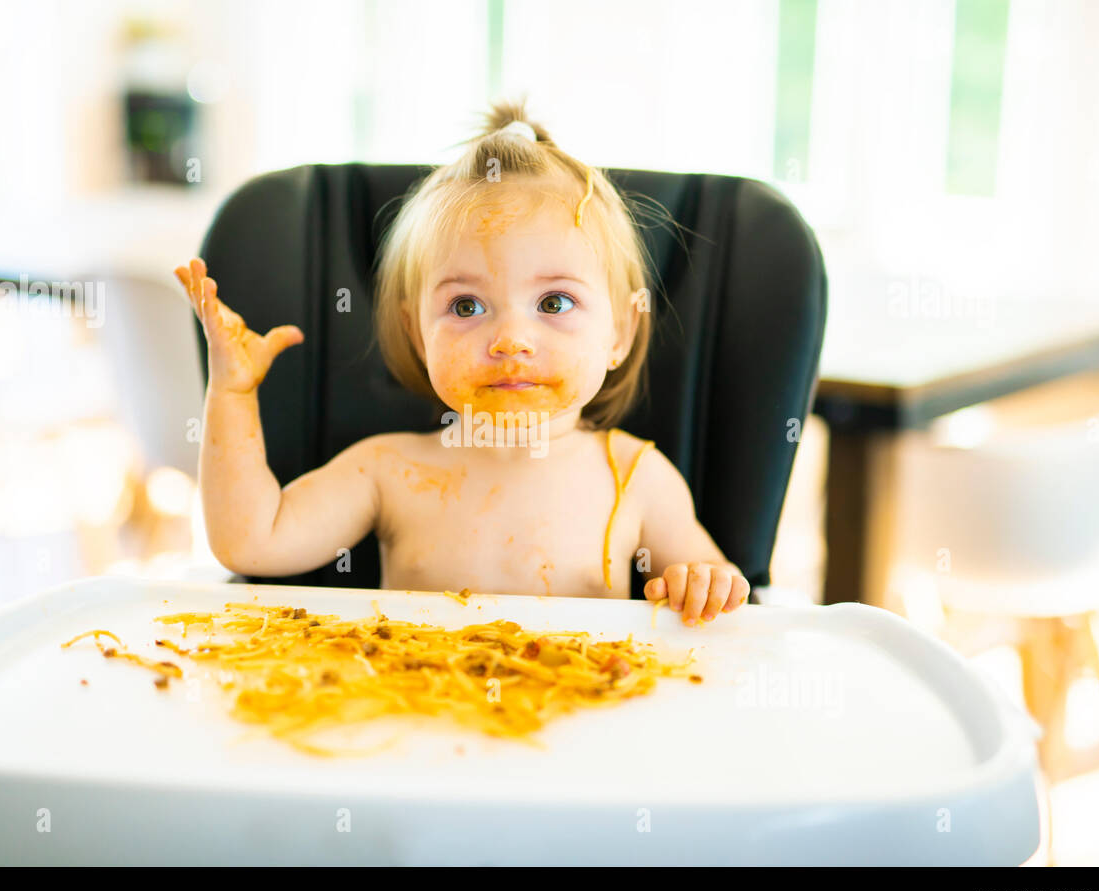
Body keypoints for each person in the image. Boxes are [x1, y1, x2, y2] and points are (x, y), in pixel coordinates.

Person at [174, 98, 749, 626]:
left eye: (554, 302)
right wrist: (232, 393)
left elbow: (722, 598)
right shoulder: (386, 471)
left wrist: (704, 585)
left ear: (620, 330)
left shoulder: (638, 480)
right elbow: (252, 542)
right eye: (466, 305)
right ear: (418, 335)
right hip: (419, 720)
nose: (511, 339)